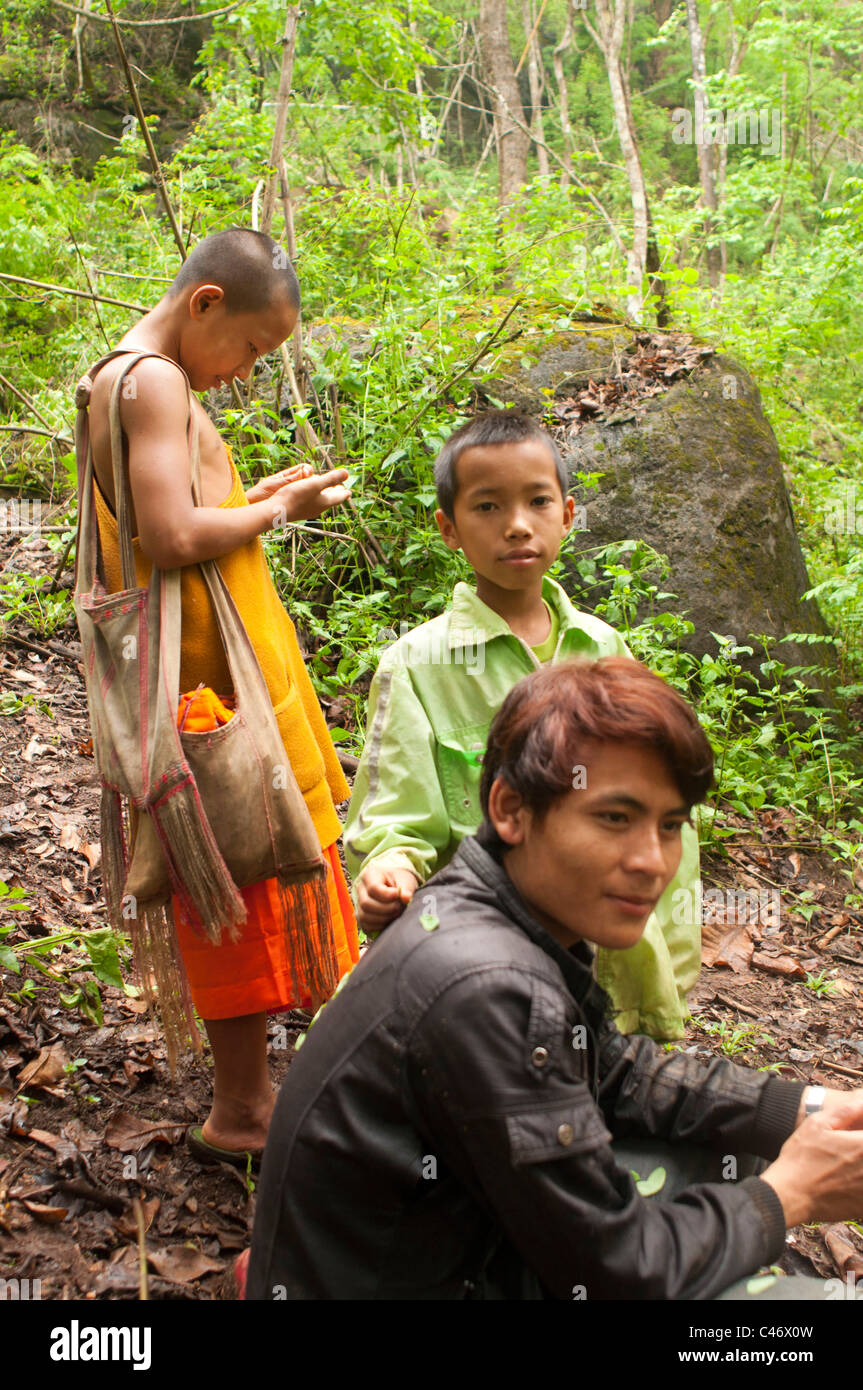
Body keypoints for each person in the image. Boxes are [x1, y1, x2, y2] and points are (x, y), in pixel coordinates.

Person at [248, 659, 863, 1300]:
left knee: (738, 1147)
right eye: (614, 818)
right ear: (511, 809)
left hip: (427, 1247)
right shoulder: (487, 986)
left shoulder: (494, 907)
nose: (652, 862)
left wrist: (816, 1111)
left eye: (671, 825)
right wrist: (795, 1194)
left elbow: (618, 1073)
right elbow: (618, 1272)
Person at [82, 227, 358, 1162]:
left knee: (246, 865)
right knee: (239, 869)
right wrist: (282, 510)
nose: (245, 371)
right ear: (205, 304)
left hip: (213, 664)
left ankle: (267, 1092)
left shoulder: (125, 374)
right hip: (206, 677)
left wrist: (260, 495)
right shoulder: (154, 379)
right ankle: (244, 1110)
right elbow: (167, 536)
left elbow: (193, 513)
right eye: (249, 348)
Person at [344, 409, 700, 1039]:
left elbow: (656, 806)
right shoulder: (418, 664)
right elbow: (395, 813)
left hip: (605, 938)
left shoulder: (604, 646)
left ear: (566, 514)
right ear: (448, 529)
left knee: (609, 1079)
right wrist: (390, 869)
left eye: (537, 501)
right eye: (486, 507)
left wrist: (667, 955)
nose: (516, 526)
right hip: (478, 944)